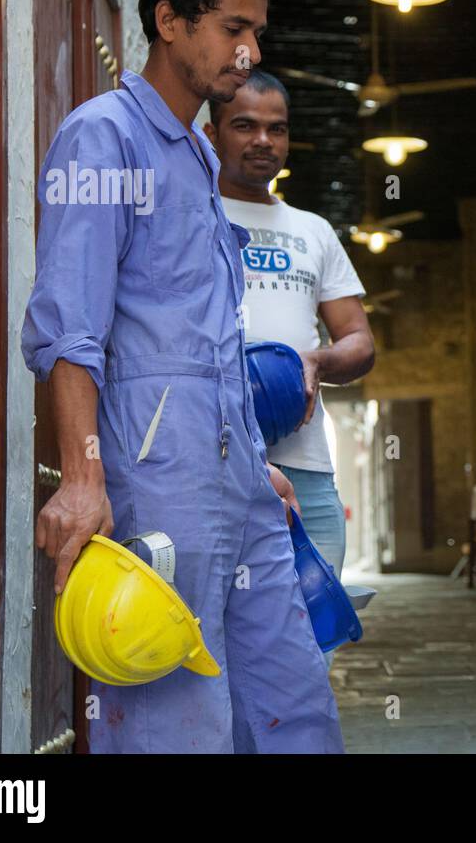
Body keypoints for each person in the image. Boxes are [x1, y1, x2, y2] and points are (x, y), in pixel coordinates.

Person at [21, 0, 343, 753]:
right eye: (233, 29)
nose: (248, 51)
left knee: (290, 697)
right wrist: (84, 482)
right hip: (156, 479)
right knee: (174, 712)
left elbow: (200, 333)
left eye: (257, 34)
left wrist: (248, 453)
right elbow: (69, 331)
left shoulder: (199, 159)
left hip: (236, 477)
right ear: (171, 21)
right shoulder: (106, 138)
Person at [207, 69, 374, 620]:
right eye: (245, 125)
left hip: (306, 468)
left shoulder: (313, 231)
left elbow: (360, 341)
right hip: (212, 459)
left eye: (276, 129)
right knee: (227, 629)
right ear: (211, 134)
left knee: (312, 630)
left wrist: (316, 360)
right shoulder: (189, 219)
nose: (262, 140)